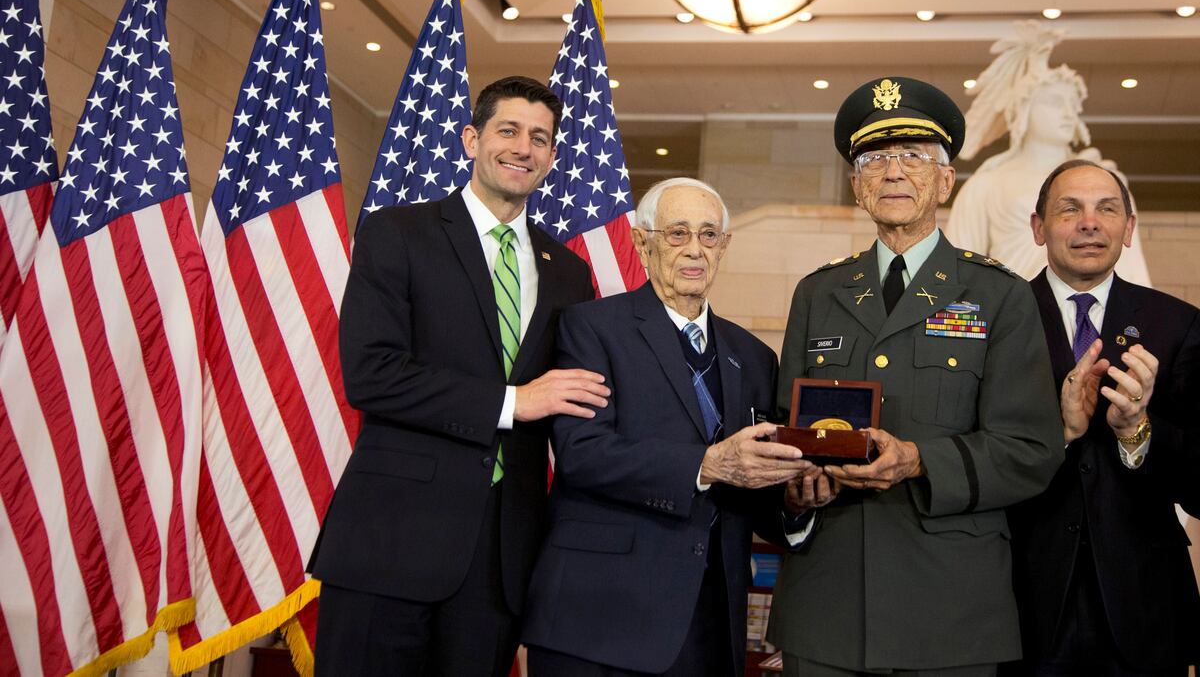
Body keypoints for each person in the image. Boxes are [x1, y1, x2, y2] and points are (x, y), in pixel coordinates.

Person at [308, 76, 608, 676]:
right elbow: (371, 374)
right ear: (472, 139)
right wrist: (512, 402)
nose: (523, 148)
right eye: (508, 130)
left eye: (539, 138)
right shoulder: (397, 232)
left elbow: (581, 400)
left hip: (500, 563)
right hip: (390, 543)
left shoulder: (569, 272)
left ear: (552, 156)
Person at [767, 77, 1065, 676]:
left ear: (946, 181)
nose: (894, 172)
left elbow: (1031, 449)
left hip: (949, 610)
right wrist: (794, 488)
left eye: (913, 156)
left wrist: (919, 461)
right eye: (874, 160)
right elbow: (786, 428)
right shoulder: (818, 292)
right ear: (857, 186)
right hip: (828, 605)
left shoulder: (998, 295)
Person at [521, 177, 816, 677]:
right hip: (601, 618)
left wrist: (792, 502)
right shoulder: (590, 327)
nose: (695, 249)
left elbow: (749, 488)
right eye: (677, 233)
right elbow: (583, 453)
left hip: (710, 623)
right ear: (643, 243)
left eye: (708, 234)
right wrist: (706, 464)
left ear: (723, 246)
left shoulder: (755, 357)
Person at [1006, 159, 1200, 675]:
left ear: (1128, 229)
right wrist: (1058, 433)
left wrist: (1137, 431)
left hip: (1144, 605)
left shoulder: (1177, 324)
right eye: (1070, 209)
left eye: (1107, 209)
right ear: (1039, 228)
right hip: (1019, 602)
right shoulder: (996, 320)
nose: (1089, 223)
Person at [945, 20, 1150, 284]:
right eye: (1054, 102)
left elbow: (1134, 274)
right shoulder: (986, 185)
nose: (1068, 112)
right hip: (1013, 308)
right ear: (1023, 110)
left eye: (1072, 103)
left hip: (1092, 308)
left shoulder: (1107, 185)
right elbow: (957, 274)